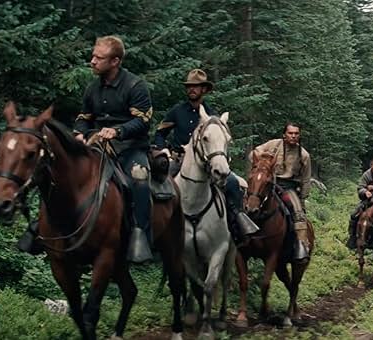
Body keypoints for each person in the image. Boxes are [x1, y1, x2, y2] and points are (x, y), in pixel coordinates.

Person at [154, 68, 260, 245]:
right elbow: (160, 133)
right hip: (179, 161)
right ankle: (157, 230)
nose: (191, 90)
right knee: (159, 184)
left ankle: (237, 223)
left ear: (204, 89)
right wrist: (162, 148)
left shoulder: (213, 116)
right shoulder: (177, 111)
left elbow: (221, 142)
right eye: (189, 86)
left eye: (196, 87)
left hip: (206, 165)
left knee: (233, 183)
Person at [74, 35, 153, 262]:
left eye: (99, 58)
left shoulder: (135, 85)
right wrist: (79, 133)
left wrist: (118, 131)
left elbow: (143, 121)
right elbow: (84, 116)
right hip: (95, 145)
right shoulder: (92, 88)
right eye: (93, 56)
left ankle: (141, 237)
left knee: (140, 179)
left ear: (115, 61)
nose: (93, 61)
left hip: (129, 148)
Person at [252, 123, 312, 260]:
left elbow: (306, 179)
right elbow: (254, 153)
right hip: (269, 183)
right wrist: (264, 162)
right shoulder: (273, 145)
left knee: (297, 212)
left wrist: (302, 197)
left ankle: (301, 245)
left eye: (296, 133)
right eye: (290, 133)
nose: (293, 136)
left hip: (288, 187)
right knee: (251, 201)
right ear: (284, 134)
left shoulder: (304, 155)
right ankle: (241, 236)